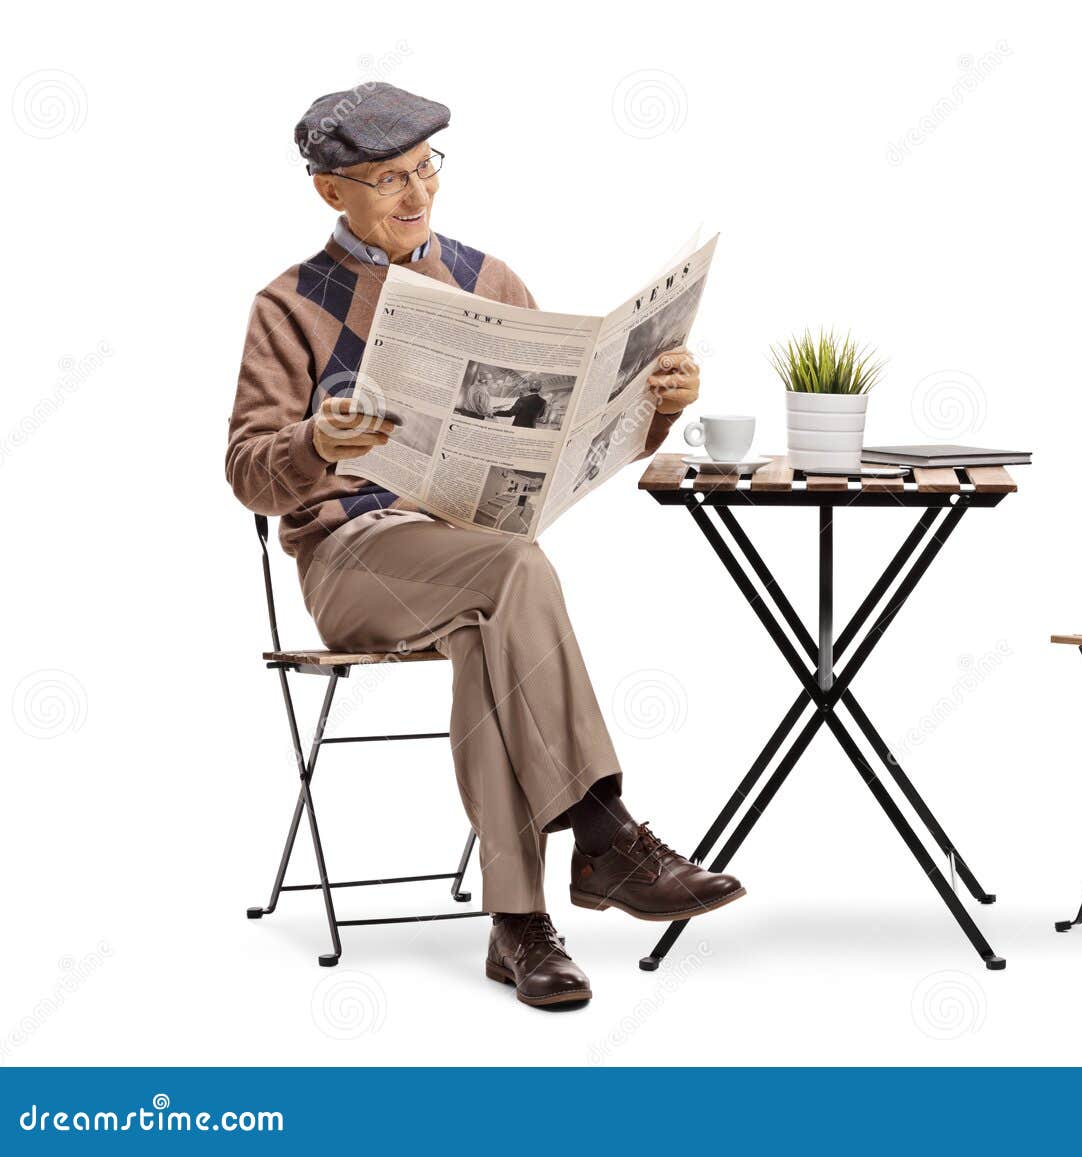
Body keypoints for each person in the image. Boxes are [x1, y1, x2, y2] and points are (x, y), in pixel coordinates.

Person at [225, 83, 743, 1010]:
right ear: (328, 192)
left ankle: (518, 928)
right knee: (513, 571)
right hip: (354, 558)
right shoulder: (288, 304)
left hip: (470, 566)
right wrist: (315, 444)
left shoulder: (489, 280)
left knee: (487, 624)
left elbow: (566, 435)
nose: (414, 192)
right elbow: (246, 471)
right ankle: (604, 829)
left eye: (425, 168)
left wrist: (657, 405)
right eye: (385, 178)